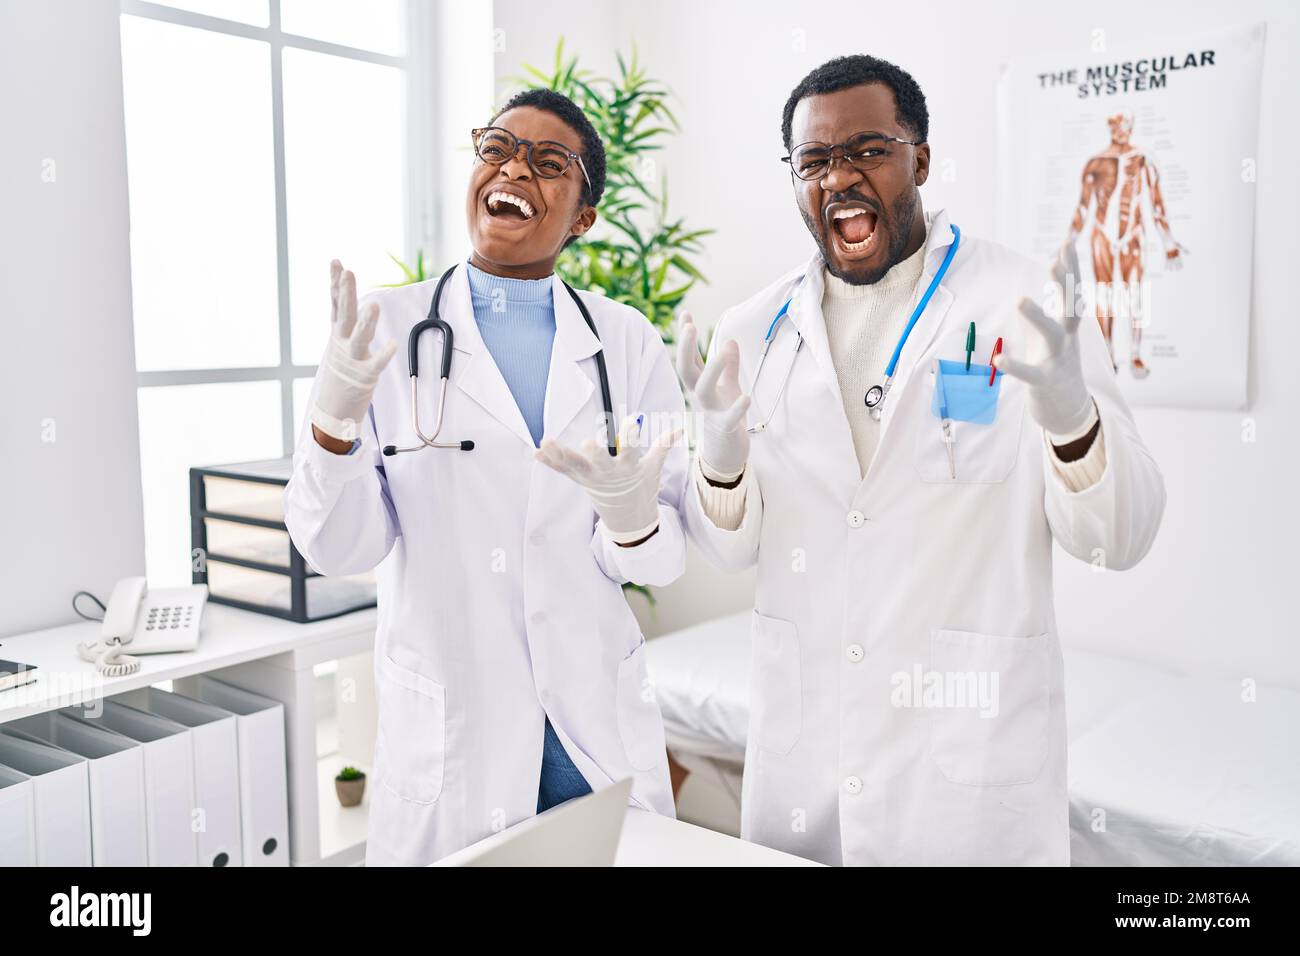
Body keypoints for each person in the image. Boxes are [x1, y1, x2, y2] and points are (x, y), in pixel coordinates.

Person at [675, 55, 1165, 866]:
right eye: (814, 160)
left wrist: (1072, 419)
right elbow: (728, 550)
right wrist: (719, 461)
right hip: (807, 763)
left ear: (920, 160)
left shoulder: (1023, 303)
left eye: (868, 149)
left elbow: (1121, 538)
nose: (840, 177)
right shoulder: (750, 331)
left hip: (968, 775)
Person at [285, 88, 686, 866]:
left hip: (588, 732)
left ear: (582, 218)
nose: (512, 170)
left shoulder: (627, 343)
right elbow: (340, 546)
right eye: (497, 149)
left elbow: (661, 561)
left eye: (548, 162)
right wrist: (333, 423)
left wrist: (632, 517)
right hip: (454, 734)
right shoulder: (381, 330)